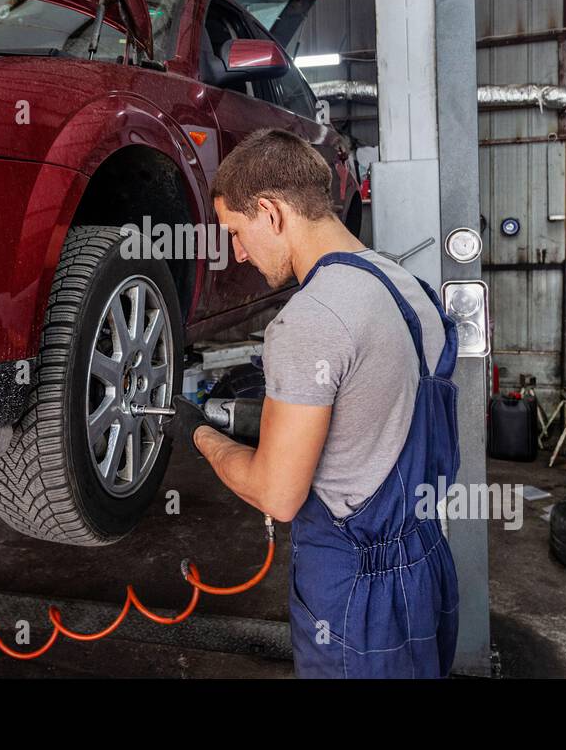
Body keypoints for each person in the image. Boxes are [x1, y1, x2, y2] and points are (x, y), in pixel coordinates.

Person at [165, 128, 461, 678]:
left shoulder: (310, 320)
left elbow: (277, 495)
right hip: (426, 563)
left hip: (356, 594)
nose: (237, 252)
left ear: (272, 213)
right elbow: (378, 413)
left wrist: (199, 435)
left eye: (236, 230)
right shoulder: (409, 286)